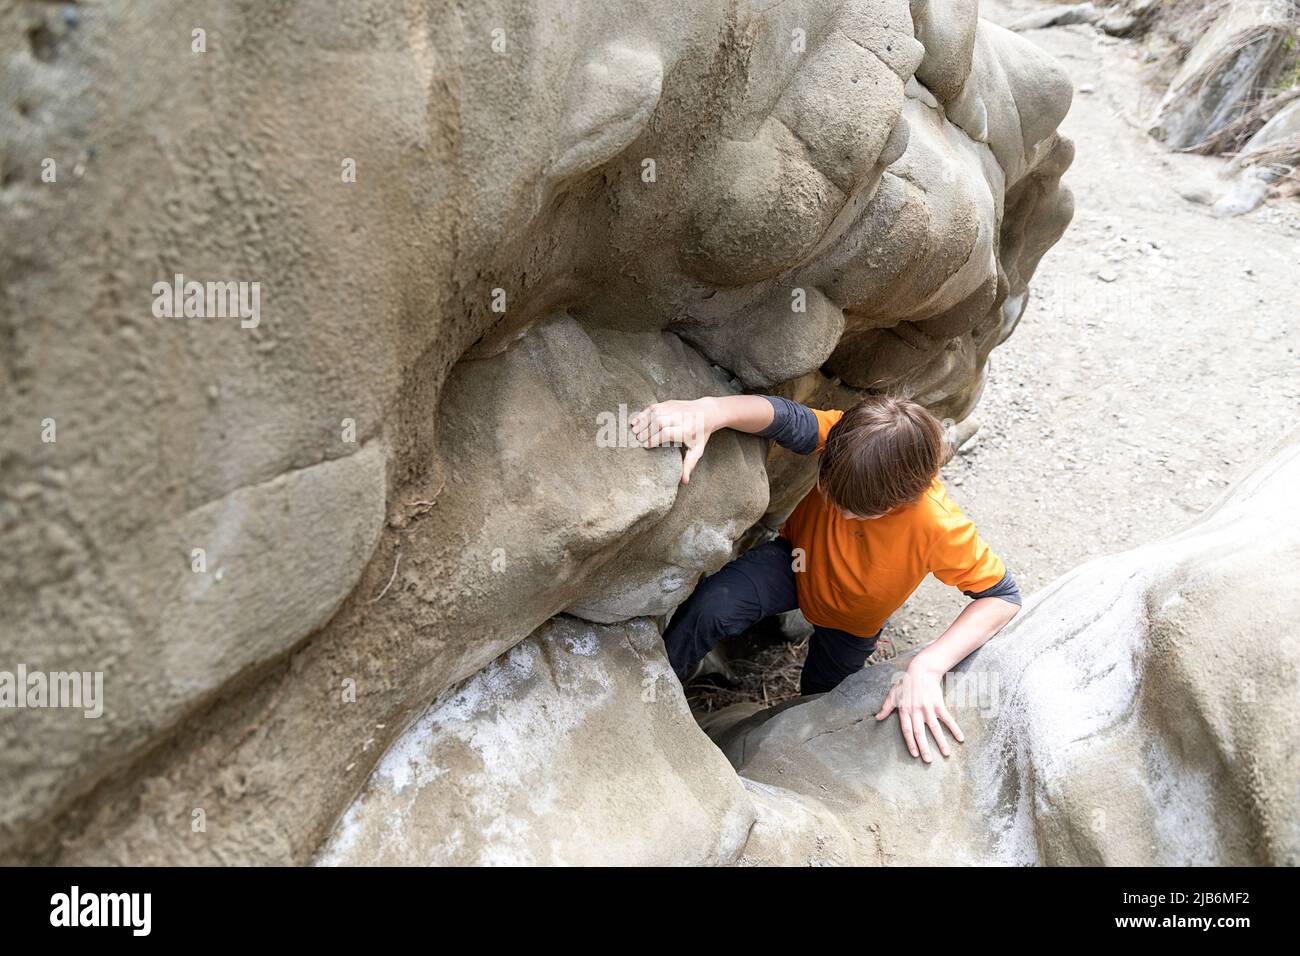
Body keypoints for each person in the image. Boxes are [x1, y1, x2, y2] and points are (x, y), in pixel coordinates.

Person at [630, 393, 1022, 762]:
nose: (838, 508)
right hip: (795, 565)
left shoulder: (937, 525)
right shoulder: (852, 439)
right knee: (713, 604)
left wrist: (929, 665)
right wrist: (711, 410)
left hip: (851, 624)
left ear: (902, 499)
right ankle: (654, 692)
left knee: (822, 700)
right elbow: (781, 416)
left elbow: (1001, 596)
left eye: (854, 510)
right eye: (829, 492)